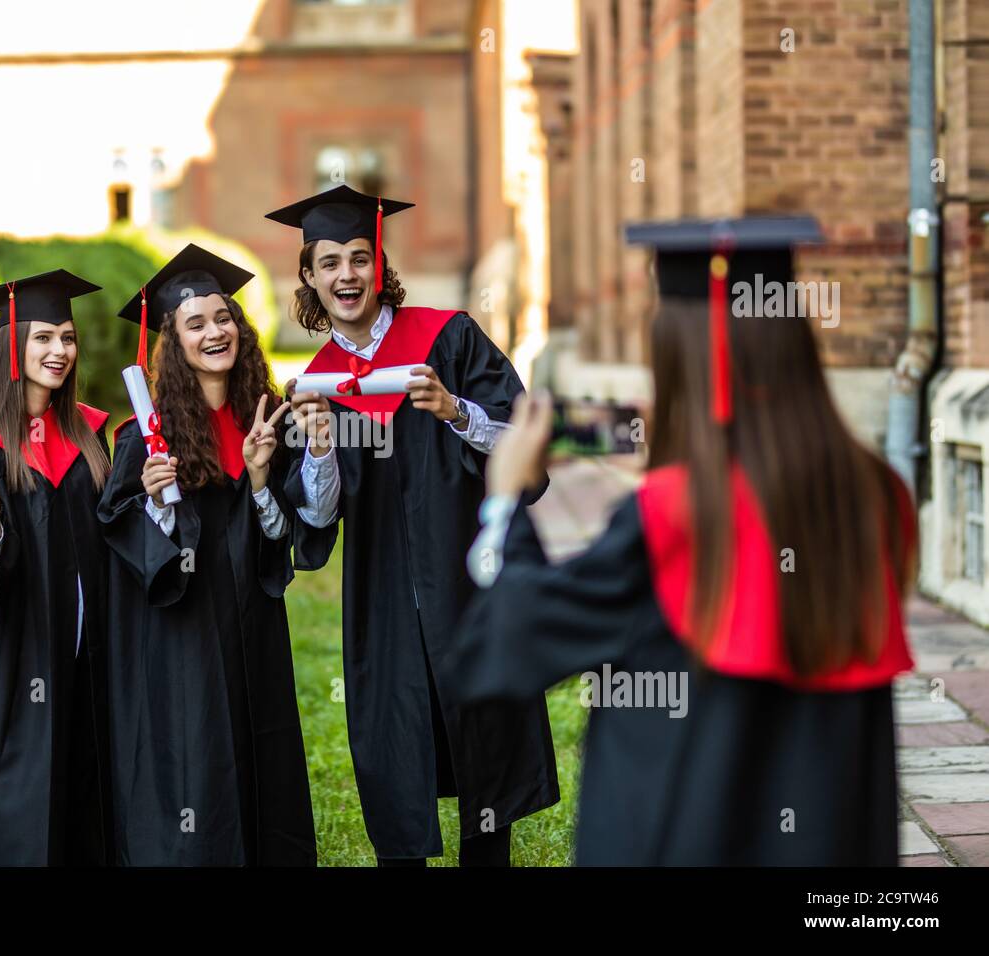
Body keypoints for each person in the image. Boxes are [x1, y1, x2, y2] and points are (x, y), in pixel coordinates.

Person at [442, 217, 916, 865]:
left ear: (687, 363)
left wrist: (503, 502)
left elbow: (499, 648)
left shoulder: (670, 516)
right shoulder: (876, 493)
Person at [265, 185, 558, 866]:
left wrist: (456, 411)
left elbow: (527, 446)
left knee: (485, 732)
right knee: (396, 745)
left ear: (379, 262)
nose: (347, 275)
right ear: (308, 275)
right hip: (383, 599)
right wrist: (313, 447)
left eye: (360, 258)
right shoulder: (315, 386)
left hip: (467, 582)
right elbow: (315, 517)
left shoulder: (448, 338)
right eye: (329, 262)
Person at [99, 244, 315, 866]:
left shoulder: (267, 420)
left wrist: (257, 479)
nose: (214, 332)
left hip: (252, 620)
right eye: (196, 325)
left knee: (261, 737)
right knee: (195, 751)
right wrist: (156, 502)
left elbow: (284, 533)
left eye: (223, 319)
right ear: (175, 341)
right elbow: (121, 533)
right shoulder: (145, 435)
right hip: (181, 632)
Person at [0, 270, 114, 866]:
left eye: (67, 338)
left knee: (89, 782)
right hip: (20, 657)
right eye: (42, 338)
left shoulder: (91, 437)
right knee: (24, 788)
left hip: (91, 653)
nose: (60, 351)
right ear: (12, 346)